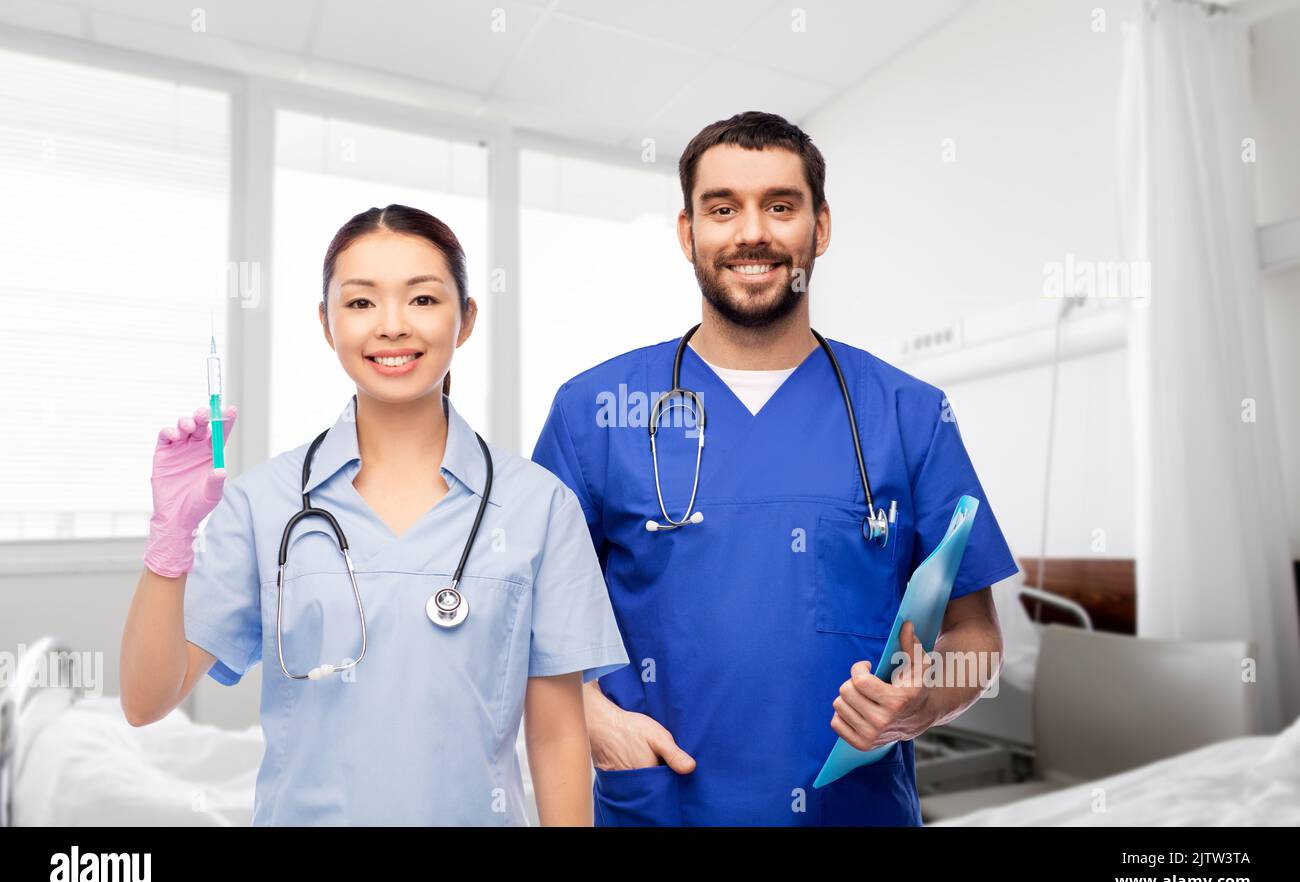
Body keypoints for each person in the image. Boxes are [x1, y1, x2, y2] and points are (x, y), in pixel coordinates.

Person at [531, 112, 1019, 826]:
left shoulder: (909, 414)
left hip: (855, 811)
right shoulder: (594, 411)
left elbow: (977, 643)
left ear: (820, 229)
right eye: (722, 208)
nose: (751, 232)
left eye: (780, 207)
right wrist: (593, 718)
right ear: (686, 232)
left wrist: (922, 703)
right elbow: (528, 621)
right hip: (661, 806)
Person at [121, 204, 628, 826]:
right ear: (327, 324)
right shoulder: (263, 502)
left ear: (466, 319)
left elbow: (555, 740)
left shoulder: (538, 506)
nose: (391, 326)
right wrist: (170, 537)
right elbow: (146, 701)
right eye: (360, 303)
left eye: (422, 299)